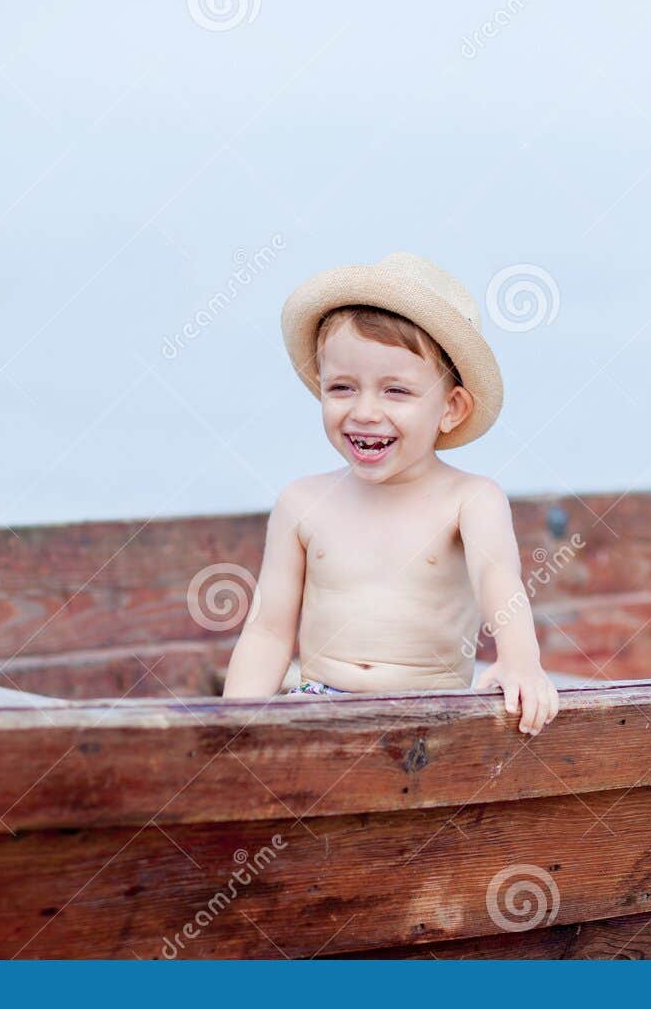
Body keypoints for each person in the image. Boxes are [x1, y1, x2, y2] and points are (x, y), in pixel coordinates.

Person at [221, 251, 559, 735]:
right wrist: (234, 726)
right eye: (342, 387)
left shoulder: (470, 500)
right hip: (319, 708)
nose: (364, 412)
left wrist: (520, 662)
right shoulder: (302, 502)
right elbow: (268, 630)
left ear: (451, 408)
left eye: (396, 391)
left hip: (431, 719)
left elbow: (497, 581)